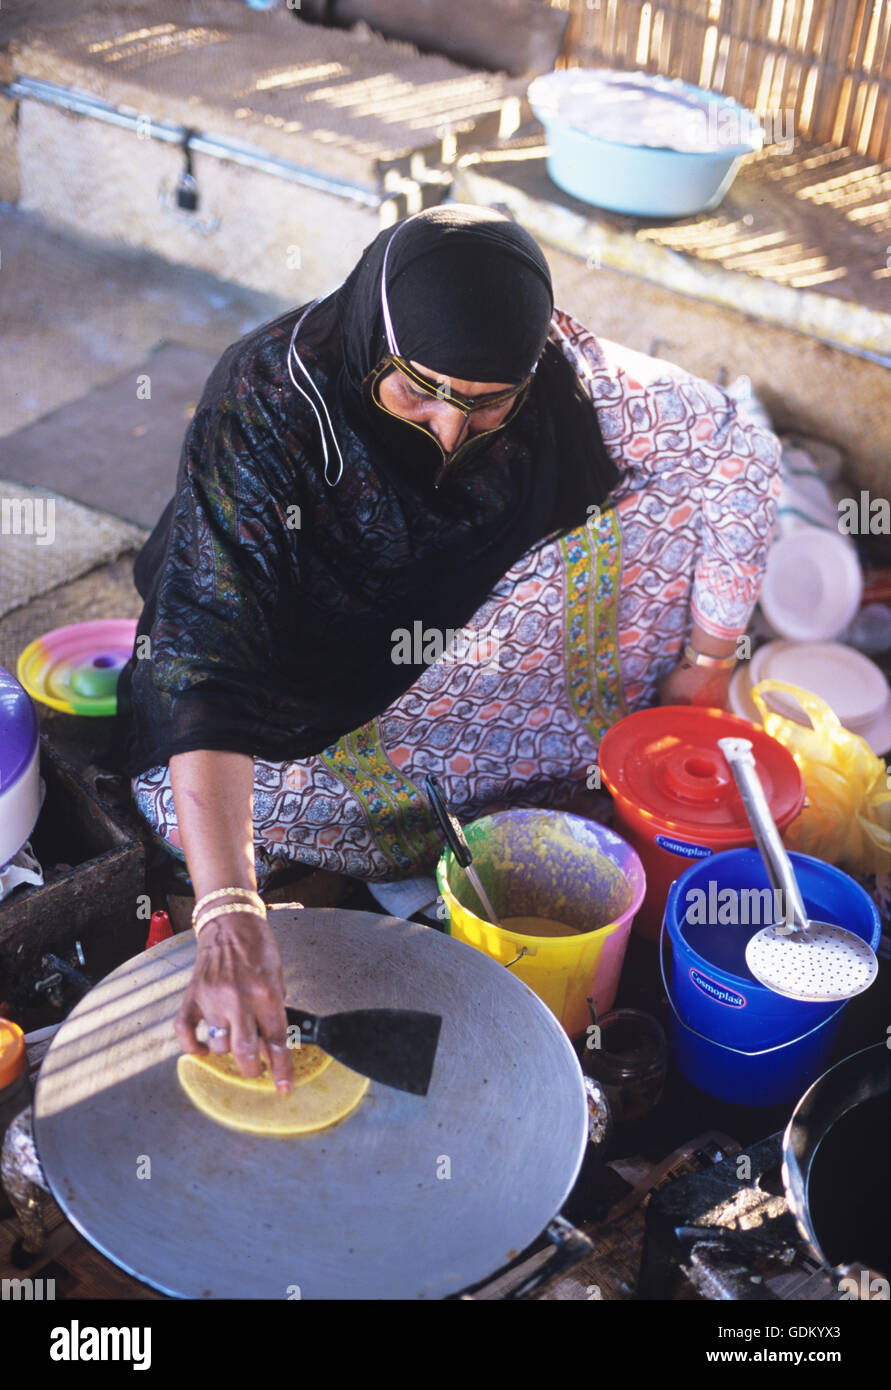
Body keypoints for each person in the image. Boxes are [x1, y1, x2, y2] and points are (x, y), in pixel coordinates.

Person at [121, 205, 781, 1088]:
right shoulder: (271, 402)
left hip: (441, 636)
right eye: (417, 389)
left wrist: (707, 666)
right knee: (185, 808)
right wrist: (231, 910)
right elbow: (207, 653)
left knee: (663, 506)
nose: (446, 429)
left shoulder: (566, 377)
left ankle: (509, 781)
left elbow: (737, 450)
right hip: (293, 660)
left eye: (485, 404)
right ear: (373, 343)